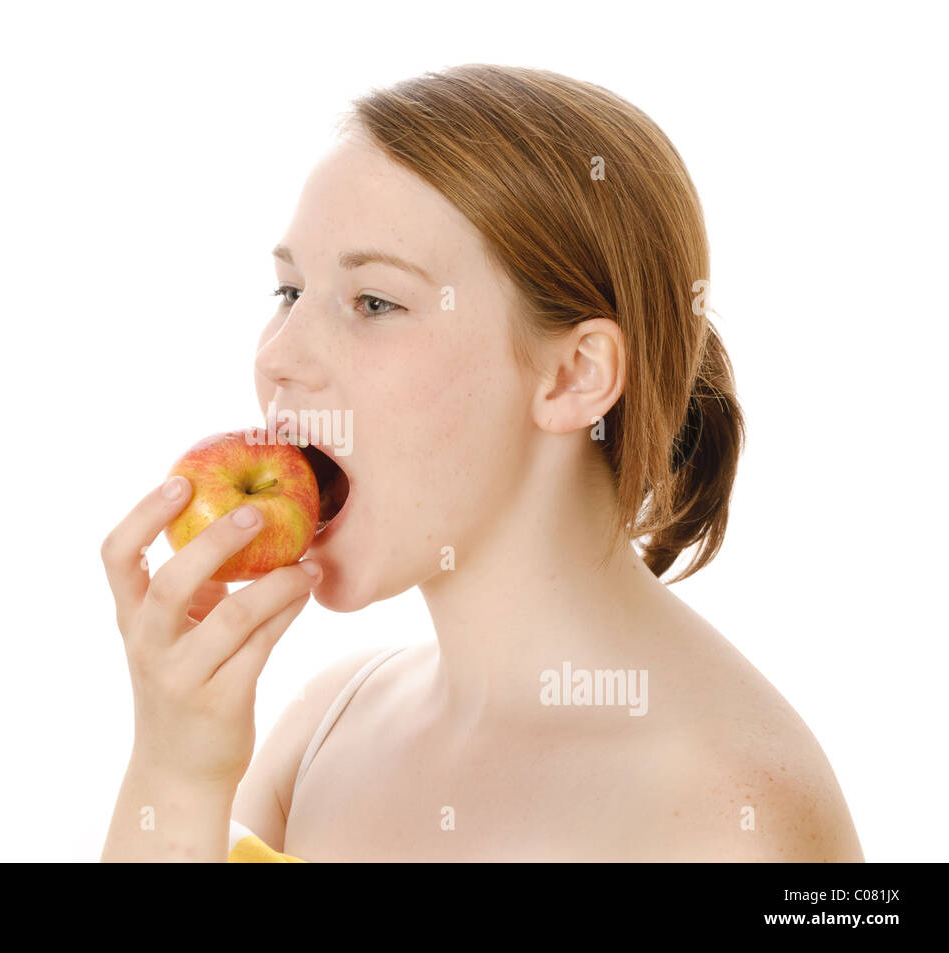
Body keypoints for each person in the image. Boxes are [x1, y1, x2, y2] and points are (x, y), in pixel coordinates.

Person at [100, 64, 864, 862]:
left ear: (575, 376)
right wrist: (175, 769)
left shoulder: (725, 816)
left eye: (375, 302)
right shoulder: (323, 732)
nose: (279, 358)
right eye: (289, 292)